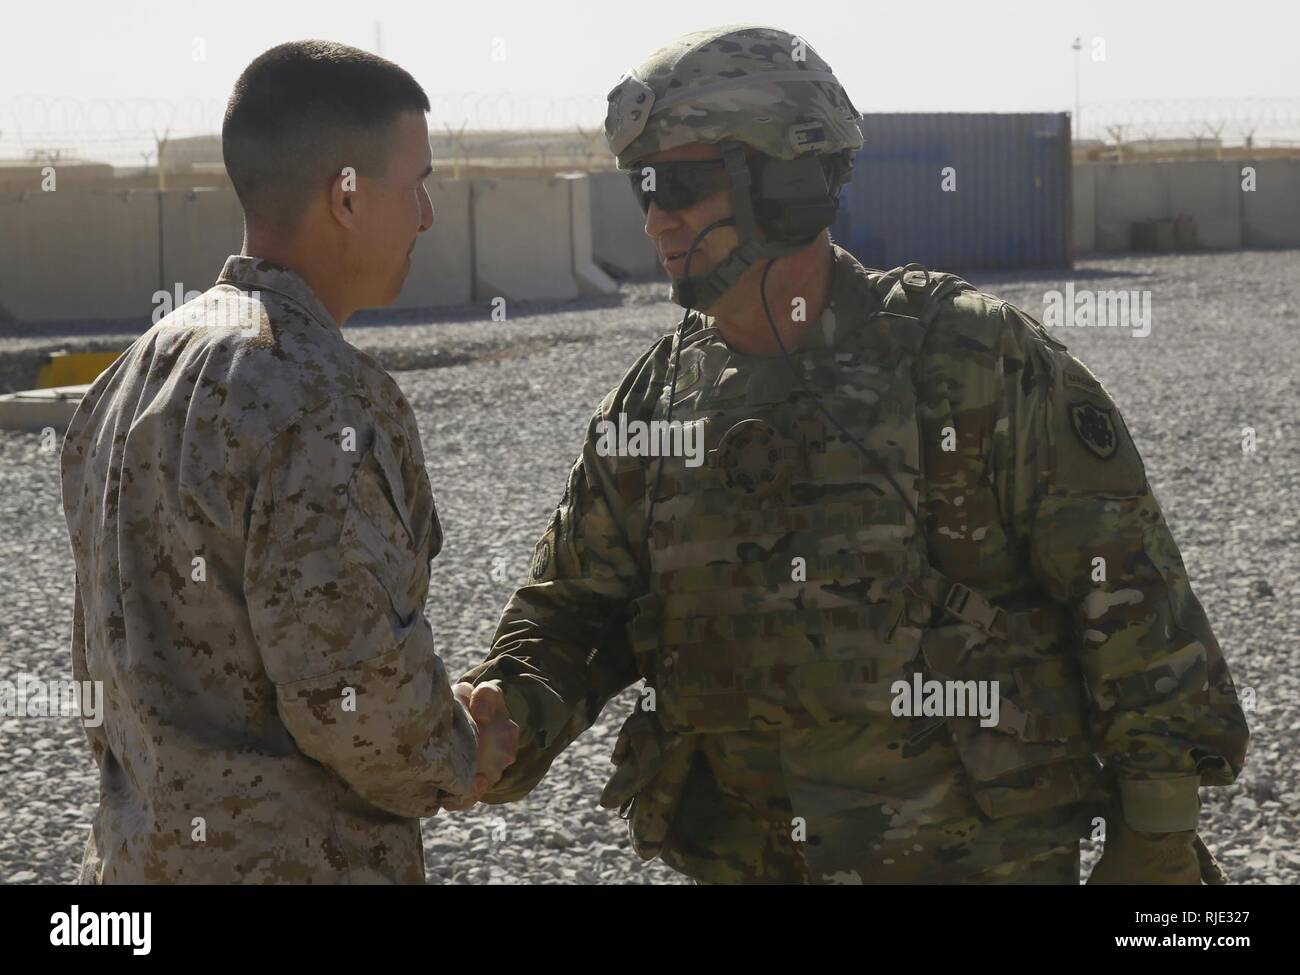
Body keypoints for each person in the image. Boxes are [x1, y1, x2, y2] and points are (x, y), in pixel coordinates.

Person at [456, 23, 1248, 884]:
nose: (657, 217)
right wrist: (508, 713)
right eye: (643, 187)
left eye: (682, 183)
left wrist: (1156, 837)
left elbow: (1133, 598)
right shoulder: (656, 402)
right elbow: (574, 609)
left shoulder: (971, 362)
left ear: (788, 178)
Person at [60, 40, 517, 884]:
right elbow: (346, 689)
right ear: (346, 193)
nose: (426, 214)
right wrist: (456, 750)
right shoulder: (317, 393)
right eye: (416, 182)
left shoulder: (132, 373)